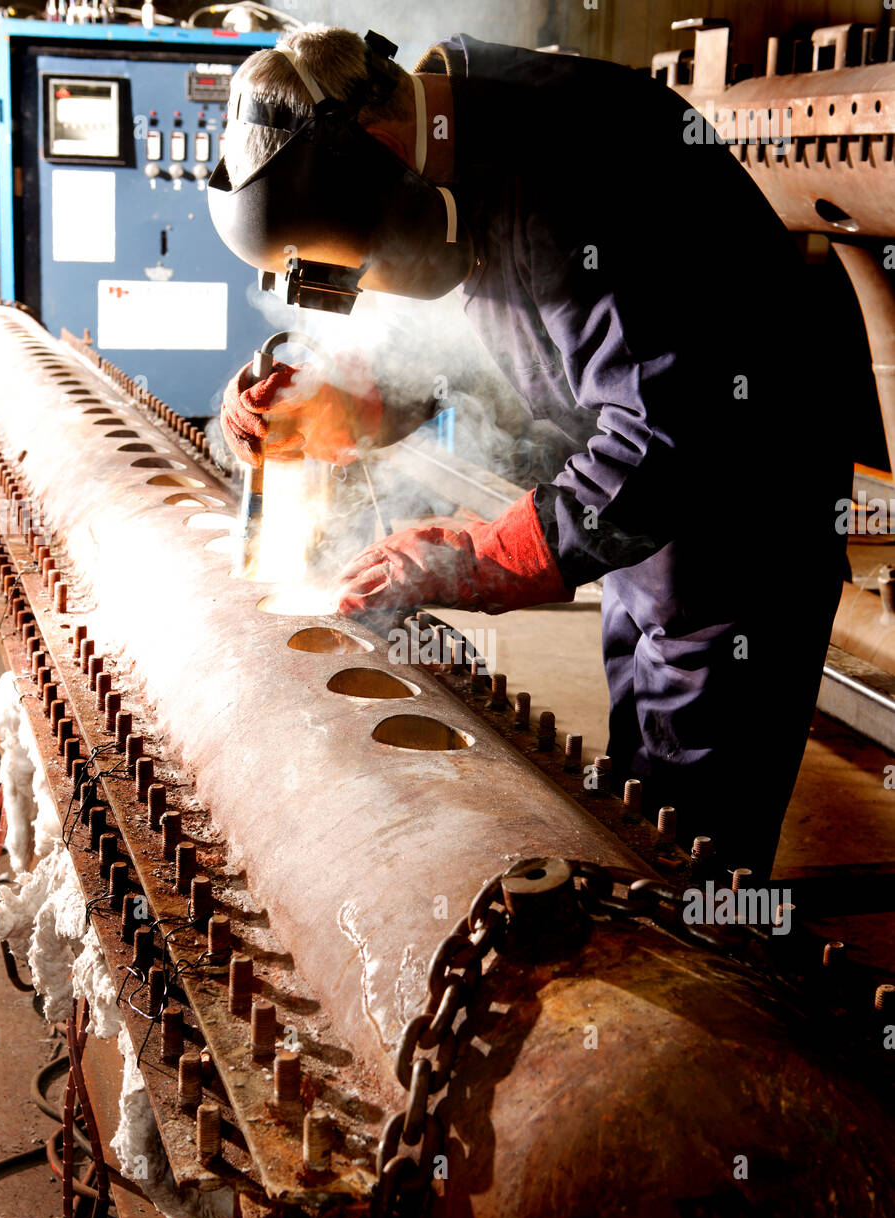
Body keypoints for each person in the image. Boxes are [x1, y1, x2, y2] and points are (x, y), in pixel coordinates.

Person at [215, 24, 849, 880]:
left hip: (734, 522)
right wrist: (344, 406)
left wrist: (476, 557)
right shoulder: (451, 159)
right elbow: (483, 348)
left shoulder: (576, 164)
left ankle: (713, 990)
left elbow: (661, 435)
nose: (370, 280)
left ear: (376, 150)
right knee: (642, 797)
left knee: (694, 836)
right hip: (642, 525)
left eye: (358, 265)